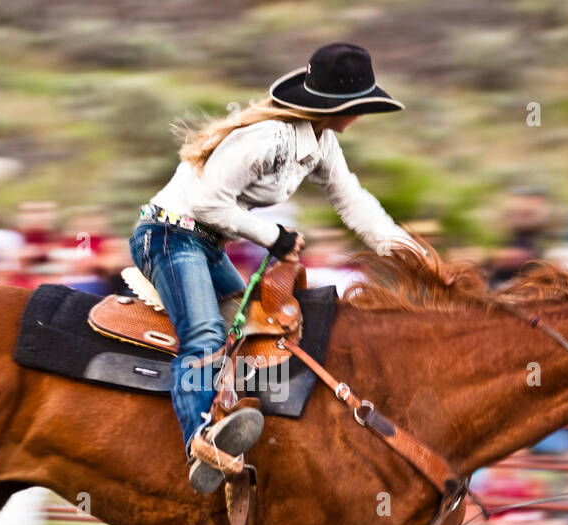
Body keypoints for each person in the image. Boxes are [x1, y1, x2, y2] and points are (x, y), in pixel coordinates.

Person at [131, 43, 418, 493]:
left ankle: (230, 415)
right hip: (169, 236)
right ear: (342, 106)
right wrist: (275, 238)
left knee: (248, 329)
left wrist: (410, 256)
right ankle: (199, 439)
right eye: (360, 106)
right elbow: (207, 202)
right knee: (205, 332)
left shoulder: (321, 143)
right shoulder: (266, 138)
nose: (361, 116)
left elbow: (353, 201)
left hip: (205, 243)